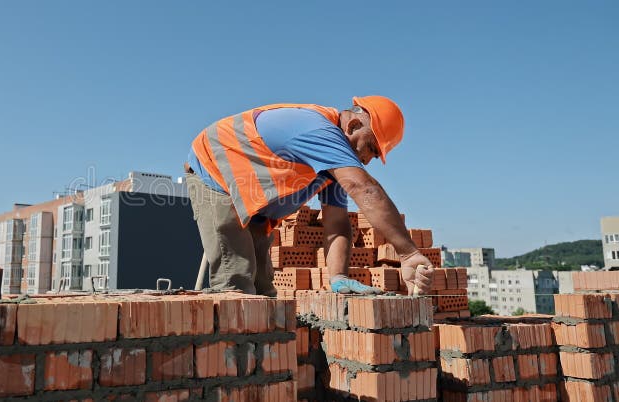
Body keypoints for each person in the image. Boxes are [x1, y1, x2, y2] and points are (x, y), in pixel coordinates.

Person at [185, 96, 433, 296]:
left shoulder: (332, 162)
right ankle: (230, 354)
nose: (367, 160)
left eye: (376, 156)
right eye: (370, 148)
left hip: (254, 203)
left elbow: (336, 224)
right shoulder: (319, 130)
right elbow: (364, 189)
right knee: (237, 283)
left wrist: (338, 278)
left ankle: (262, 353)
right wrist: (408, 253)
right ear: (353, 126)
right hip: (215, 175)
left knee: (263, 287)